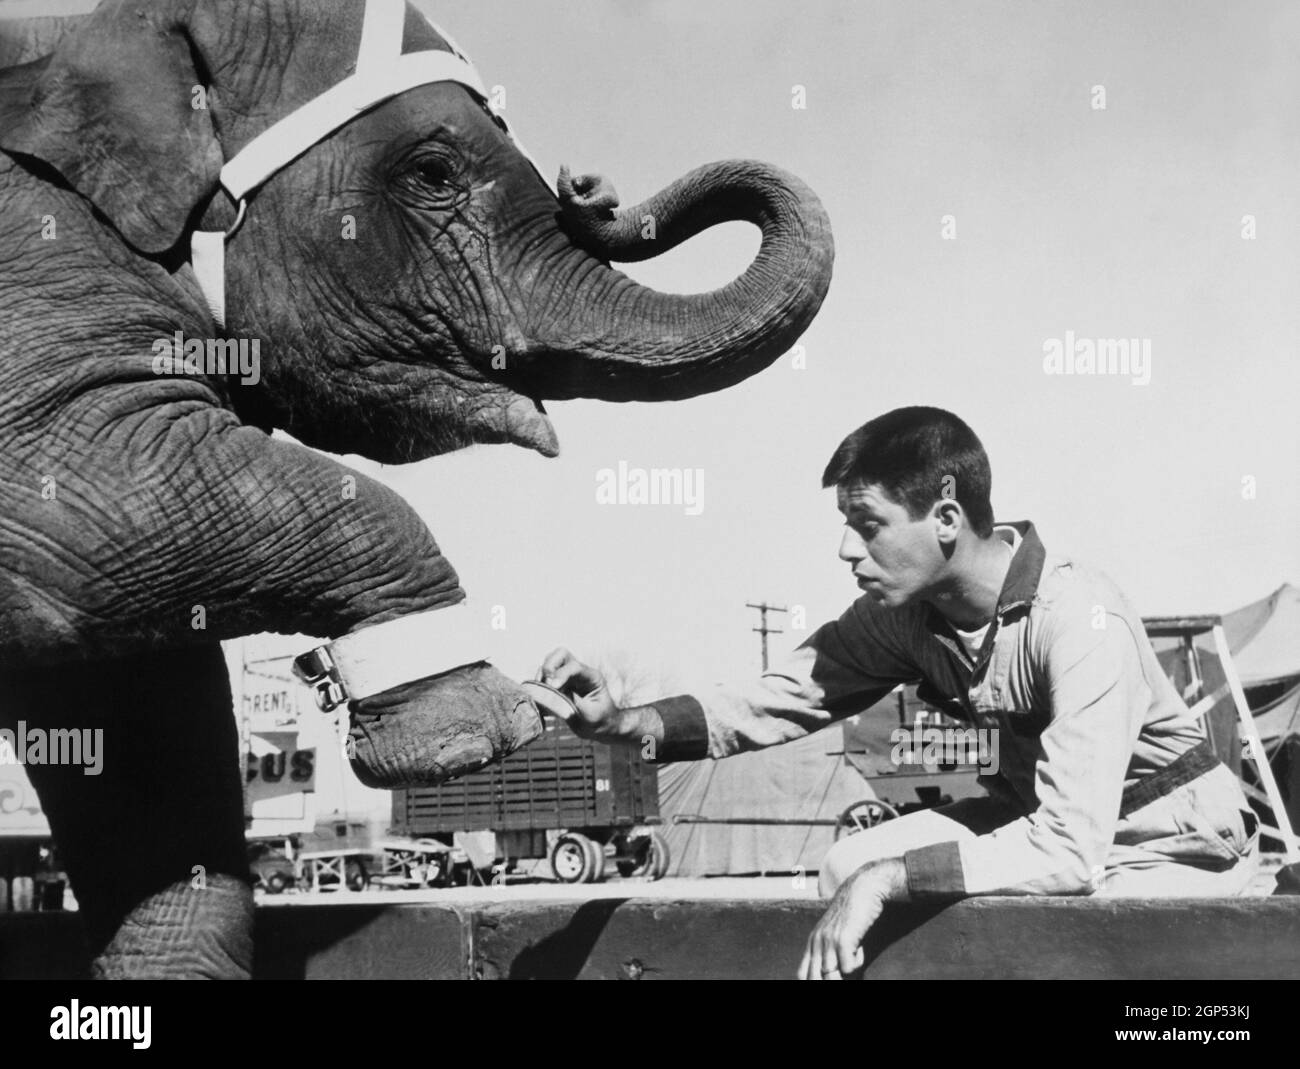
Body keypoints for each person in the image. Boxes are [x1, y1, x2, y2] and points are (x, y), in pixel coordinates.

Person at [538, 406, 1259, 979]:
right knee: (844, 867)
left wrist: (894, 877)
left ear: (945, 518)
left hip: (1169, 839)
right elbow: (777, 696)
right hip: (1046, 829)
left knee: (1065, 939)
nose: (847, 550)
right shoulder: (901, 619)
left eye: (868, 525)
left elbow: (1071, 852)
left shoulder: (1080, 614)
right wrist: (627, 721)